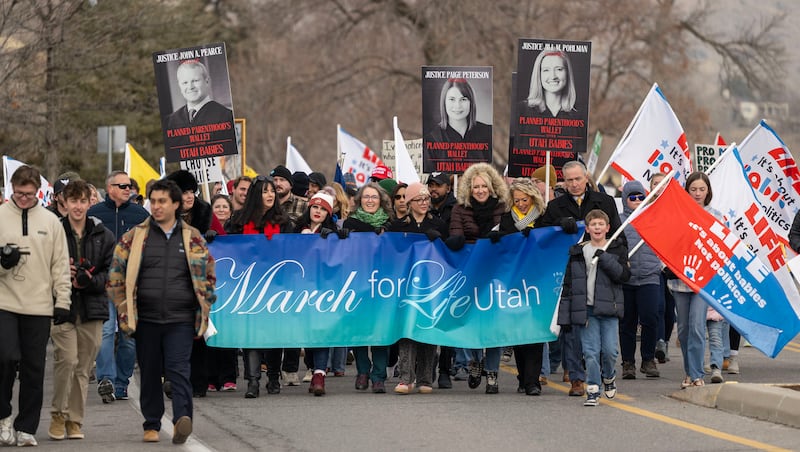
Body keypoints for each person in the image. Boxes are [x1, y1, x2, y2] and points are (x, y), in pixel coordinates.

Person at [108, 178, 215, 444]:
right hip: (146, 319)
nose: (156, 206)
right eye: (153, 201)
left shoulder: (193, 238)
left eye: (162, 201)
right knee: (151, 370)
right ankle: (151, 423)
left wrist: (205, 301)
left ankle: (182, 419)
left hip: (180, 319)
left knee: (179, 370)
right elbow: (115, 276)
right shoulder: (135, 237)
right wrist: (124, 308)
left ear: (176, 204)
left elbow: (208, 273)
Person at [537, 160, 623, 397]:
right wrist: (557, 225)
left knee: (606, 345)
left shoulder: (604, 202)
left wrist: (615, 261)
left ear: (586, 178)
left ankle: (606, 374)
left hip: (601, 275)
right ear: (563, 181)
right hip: (570, 275)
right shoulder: (555, 207)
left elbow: (618, 236)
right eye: (569, 180)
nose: (574, 184)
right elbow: (543, 237)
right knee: (573, 329)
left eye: (578, 179)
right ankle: (575, 377)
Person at [0, 165, 72, 447]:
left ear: (38, 193)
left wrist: (63, 300)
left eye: (29, 194)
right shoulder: (1, 216)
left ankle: (26, 426)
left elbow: (60, 265)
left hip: (40, 305)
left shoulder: (51, 222)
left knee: (33, 368)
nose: (24, 199)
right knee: (4, 360)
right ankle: (3, 416)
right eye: (19, 194)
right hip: (5, 301)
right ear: (12, 190)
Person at [48, 180, 115, 441]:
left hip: (93, 306)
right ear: (64, 204)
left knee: (83, 367)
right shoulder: (54, 231)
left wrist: (90, 279)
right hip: (62, 306)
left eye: (82, 201)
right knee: (66, 360)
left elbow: (111, 273)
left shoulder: (103, 234)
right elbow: (44, 269)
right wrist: (63, 276)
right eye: (72, 201)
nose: (77, 206)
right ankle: (57, 414)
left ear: (89, 202)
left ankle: (74, 420)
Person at [225, 175, 296, 398]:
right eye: (265, 191)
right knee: (251, 335)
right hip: (247, 287)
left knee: (274, 335)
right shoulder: (237, 221)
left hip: (276, 288)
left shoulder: (283, 222)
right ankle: (253, 380)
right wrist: (214, 237)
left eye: (272, 191)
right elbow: (227, 250)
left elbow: (294, 252)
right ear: (257, 194)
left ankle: (273, 377)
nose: (270, 195)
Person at [87, 170, 149, 403]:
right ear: (109, 188)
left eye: (129, 186)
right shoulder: (93, 214)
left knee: (128, 336)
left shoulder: (140, 214)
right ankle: (106, 380)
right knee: (104, 331)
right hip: (103, 283)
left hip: (131, 286)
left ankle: (122, 383)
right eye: (122, 186)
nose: (127, 189)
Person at [449, 162, 510, 394]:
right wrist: (456, 240)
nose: (480, 190)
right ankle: (475, 361)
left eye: (484, 186)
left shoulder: (503, 207)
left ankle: (492, 374)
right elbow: (456, 234)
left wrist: (502, 237)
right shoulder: (459, 208)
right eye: (476, 186)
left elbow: (510, 233)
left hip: (495, 273)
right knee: (473, 321)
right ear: (469, 188)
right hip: (470, 271)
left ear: (492, 187)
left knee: (493, 324)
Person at [559, 209, 629, 406]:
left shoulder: (616, 249)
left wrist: (605, 258)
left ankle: (609, 376)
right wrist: (566, 313)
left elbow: (623, 276)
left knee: (609, 351)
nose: (597, 227)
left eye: (601, 224)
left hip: (609, 310)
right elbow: (569, 284)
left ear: (607, 228)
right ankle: (593, 388)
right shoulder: (578, 251)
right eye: (593, 224)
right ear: (588, 229)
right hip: (587, 309)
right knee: (590, 351)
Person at [389, 183, 447, 395]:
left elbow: (449, 252)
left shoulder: (439, 224)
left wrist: (441, 240)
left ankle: (425, 378)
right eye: (419, 199)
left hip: (432, 284)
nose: (424, 203)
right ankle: (406, 378)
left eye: (426, 199)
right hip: (406, 285)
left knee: (427, 330)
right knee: (407, 331)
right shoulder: (399, 226)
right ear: (410, 203)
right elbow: (391, 253)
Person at [668, 172, 722, 389]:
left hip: (704, 282)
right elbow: (667, 243)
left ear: (708, 190)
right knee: (683, 329)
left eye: (702, 189)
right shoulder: (676, 214)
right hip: (679, 280)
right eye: (693, 189)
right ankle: (689, 371)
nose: (698, 193)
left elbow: (721, 249)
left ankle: (697, 374)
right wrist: (667, 267)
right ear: (686, 190)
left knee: (698, 327)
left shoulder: (716, 216)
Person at [498, 178, 547, 395]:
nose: (521, 204)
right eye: (516, 200)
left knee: (535, 332)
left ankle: (532, 381)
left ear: (533, 197)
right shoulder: (507, 219)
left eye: (524, 200)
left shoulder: (544, 218)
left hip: (538, 280)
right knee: (519, 333)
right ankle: (522, 376)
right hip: (515, 281)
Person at [343, 182, 393, 393]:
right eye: (366, 197)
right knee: (359, 329)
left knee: (381, 330)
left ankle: (379, 375)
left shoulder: (391, 224)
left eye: (374, 197)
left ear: (381, 200)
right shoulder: (351, 223)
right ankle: (363, 371)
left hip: (383, 283)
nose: (370, 200)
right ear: (360, 201)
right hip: (358, 281)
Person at [293, 192, 339, 395]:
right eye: (315, 207)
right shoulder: (296, 230)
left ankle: (320, 374)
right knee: (308, 333)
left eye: (322, 209)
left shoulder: (331, 233)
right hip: (300, 288)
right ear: (309, 208)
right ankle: (313, 365)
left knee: (321, 331)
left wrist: (337, 238)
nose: (318, 211)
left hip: (323, 289)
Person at [618, 181, 662, 379]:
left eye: (640, 197)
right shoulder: (618, 220)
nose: (636, 201)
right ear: (625, 199)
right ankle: (628, 361)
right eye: (632, 197)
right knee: (627, 322)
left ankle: (648, 358)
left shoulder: (653, 218)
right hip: (626, 279)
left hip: (649, 276)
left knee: (650, 317)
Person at [165, 60, 234, 130]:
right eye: (185, 82)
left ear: (207, 81)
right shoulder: (170, 121)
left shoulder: (227, 117)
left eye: (195, 81)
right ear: (179, 85)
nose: (190, 87)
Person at [426, 78, 491, 144]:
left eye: (463, 99)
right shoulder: (432, 140)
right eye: (452, 99)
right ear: (444, 102)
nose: (458, 106)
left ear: (471, 102)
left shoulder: (489, 133)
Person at [524, 50, 577, 118]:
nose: (553, 76)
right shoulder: (521, 110)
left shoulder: (580, 113)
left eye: (559, 69)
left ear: (567, 73)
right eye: (546, 70)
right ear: (539, 75)